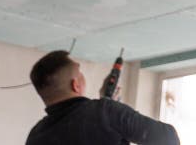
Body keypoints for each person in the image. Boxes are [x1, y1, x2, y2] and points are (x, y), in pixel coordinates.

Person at [25, 50, 179, 145]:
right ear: (75, 85)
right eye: (80, 74)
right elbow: (167, 138)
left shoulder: (36, 135)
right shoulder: (105, 111)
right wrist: (108, 108)